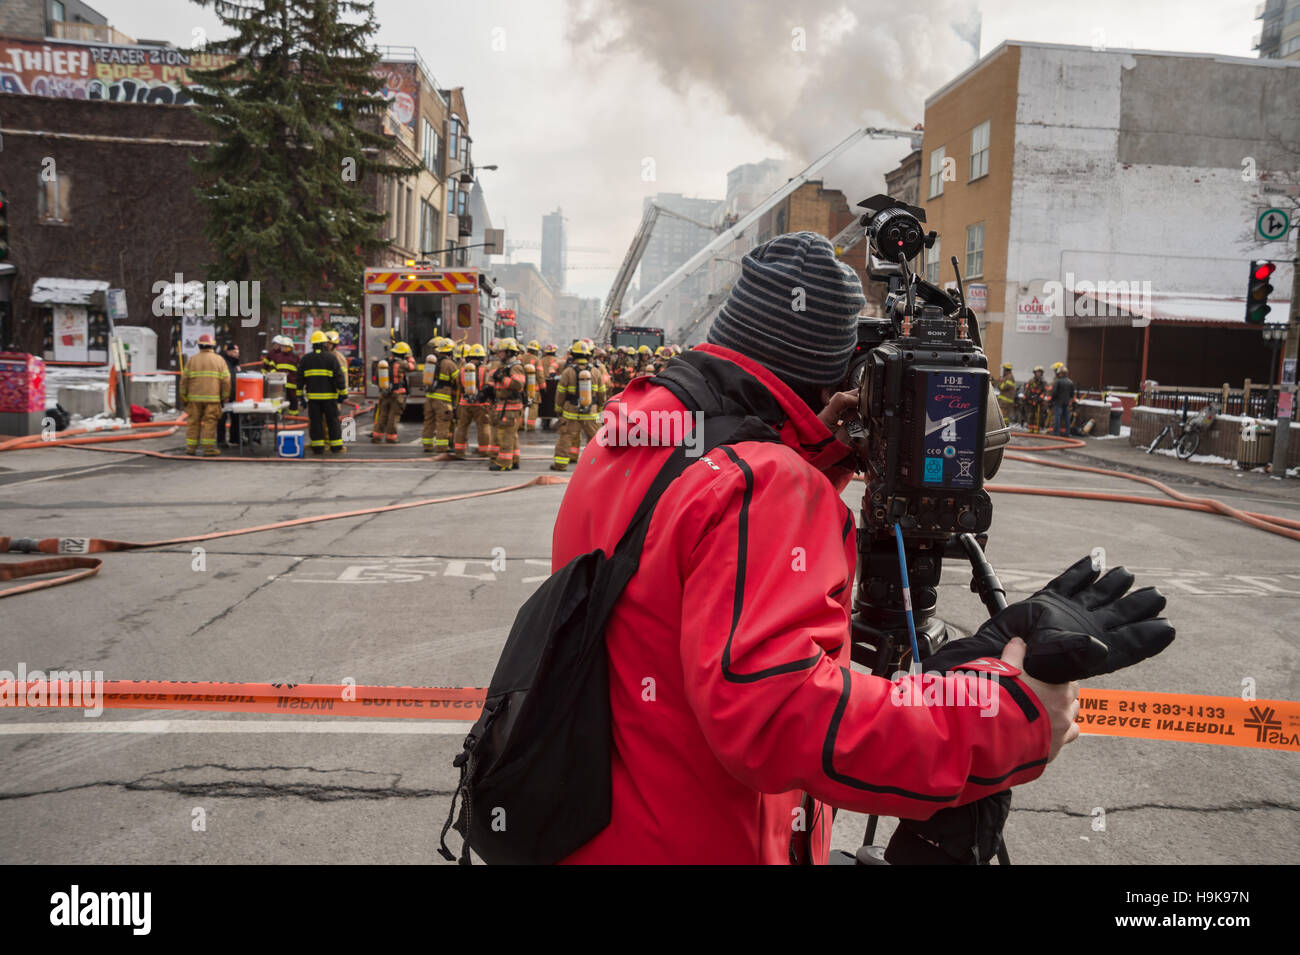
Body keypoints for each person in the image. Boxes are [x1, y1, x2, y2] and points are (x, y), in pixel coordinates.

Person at [551, 232, 1172, 864]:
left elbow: (683, 538)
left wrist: (809, 452)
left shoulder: (635, 427)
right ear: (836, 369)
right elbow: (778, 718)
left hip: (598, 827)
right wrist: (1000, 714)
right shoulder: (763, 485)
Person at [550, 340, 600, 471]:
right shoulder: (595, 371)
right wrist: (600, 410)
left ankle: (560, 464)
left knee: (566, 436)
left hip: (571, 411)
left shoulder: (568, 372)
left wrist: (558, 409)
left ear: (573, 355)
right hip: (592, 411)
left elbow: (560, 393)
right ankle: (594, 467)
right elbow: (602, 393)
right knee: (595, 439)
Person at [180, 333, 230, 456]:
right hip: (213, 399)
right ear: (212, 345)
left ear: (199, 346)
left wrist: (184, 396)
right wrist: (224, 395)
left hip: (194, 399)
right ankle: (208, 449)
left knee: (193, 422)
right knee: (210, 423)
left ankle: (191, 448)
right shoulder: (219, 360)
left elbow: (184, 380)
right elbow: (226, 380)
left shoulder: (192, 360)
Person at [299, 331, 346, 454]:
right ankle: (336, 447)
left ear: (313, 344)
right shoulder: (331, 358)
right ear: (324, 343)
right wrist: (343, 393)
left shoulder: (306, 359)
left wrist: (300, 397)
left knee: (315, 423)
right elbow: (339, 377)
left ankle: (318, 447)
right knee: (333, 422)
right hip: (330, 398)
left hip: (313, 399)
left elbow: (299, 380)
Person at [488, 338, 526, 471]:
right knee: (512, 434)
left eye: (501, 352)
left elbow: (518, 385)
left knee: (505, 435)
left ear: (509, 352)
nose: (498, 354)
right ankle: (514, 460)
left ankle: (503, 463)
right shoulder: (506, 367)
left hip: (511, 407)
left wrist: (502, 379)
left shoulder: (516, 367)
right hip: (506, 406)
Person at [451, 343, 494, 459]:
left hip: (464, 403)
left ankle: (459, 451)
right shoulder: (486, 370)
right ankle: (484, 451)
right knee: (484, 426)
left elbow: (458, 385)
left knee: (462, 426)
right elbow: (490, 386)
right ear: (482, 357)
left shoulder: (462, 370)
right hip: (482, 404)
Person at [372, 340, 415, 443]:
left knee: (382, 415)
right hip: (397, 394)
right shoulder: (401, 364)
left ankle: (377, 437)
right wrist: (410, 358)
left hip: (384, 393)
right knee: (393, 417)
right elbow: (413, 367)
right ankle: (391, 438)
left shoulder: (384, 362)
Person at [422, 337, 458, 454]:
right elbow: (458, 381)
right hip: (443, 399)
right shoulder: (450, 364)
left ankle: (427, 445)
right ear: (449, 351)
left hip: (430, 397)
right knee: (443, 422)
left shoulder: (432, 362)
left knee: (429, 421)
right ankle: (442, 447)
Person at [218, 340, 242, 448]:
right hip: (223, 396)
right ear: (228, 352)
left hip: (235, 395)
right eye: (234, 351)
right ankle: (221, 440)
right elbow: (224, 380)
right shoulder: (223, 362)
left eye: (237, 352)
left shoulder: (236, 364)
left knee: (236, 417)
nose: (237, 354)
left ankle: (235, 439)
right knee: (221, 419)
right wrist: (224, 395)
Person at [1051, 365, 1075, 437]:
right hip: (1066, 403)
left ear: (1061, 373)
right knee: (1067, 419)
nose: (1058, 374)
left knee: (1057, 418)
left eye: (1059, 373)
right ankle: (1067, 433)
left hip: (1058, 403)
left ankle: (1056, 433)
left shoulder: (1058, 381)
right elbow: (1072, 394)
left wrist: (1052, 400)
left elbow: (1054, 393)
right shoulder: (1070, 382)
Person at [1023, 365, 1048, 434]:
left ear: (1042, 373)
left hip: (1039, 403)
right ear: (1034, 373)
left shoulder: (1043, 382)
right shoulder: (1031, 381)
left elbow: (1045, 391)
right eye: (1037, 372)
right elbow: (1027, 390)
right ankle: (1030, 428)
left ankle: (1036, 429)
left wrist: (1040, 398)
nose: (1038, 374)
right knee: (1030, 415)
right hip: (1031, 401)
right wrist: (1028, 398)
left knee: (1038, 416)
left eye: (1039, 372)